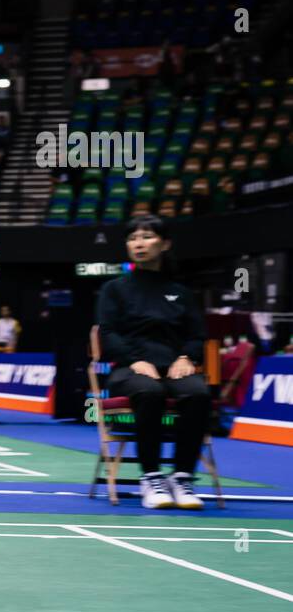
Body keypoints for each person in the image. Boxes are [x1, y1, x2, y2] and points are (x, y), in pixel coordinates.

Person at [96, 215, 209, 510]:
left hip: (174, 368)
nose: (139, 243)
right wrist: (134, 361)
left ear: (165, 243)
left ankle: (182, 477)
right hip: (128, 371)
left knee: (198, 392)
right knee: (150, 392)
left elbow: (197, 335)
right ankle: (152, 477)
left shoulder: (181, 293)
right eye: (133, 238)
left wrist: (187, 357)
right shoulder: (115, 289)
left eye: (146, 236)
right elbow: (107, 333)